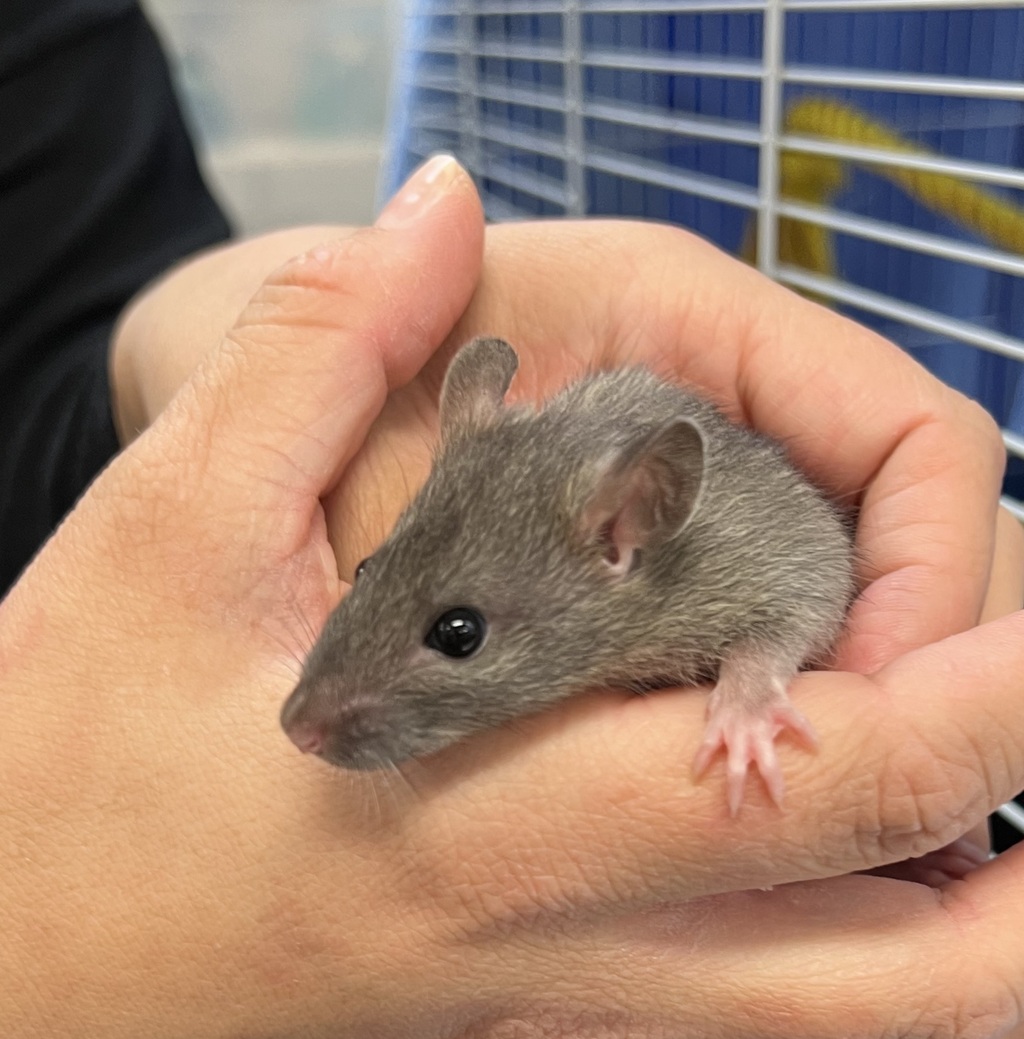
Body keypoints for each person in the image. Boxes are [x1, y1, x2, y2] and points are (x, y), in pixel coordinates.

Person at [2, 153, 1024, 1037]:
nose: (303, 725)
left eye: (455, 634)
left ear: (625, 535)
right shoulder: (522, 478)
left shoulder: (655, 521)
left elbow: (802, 566)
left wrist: (756, 679)